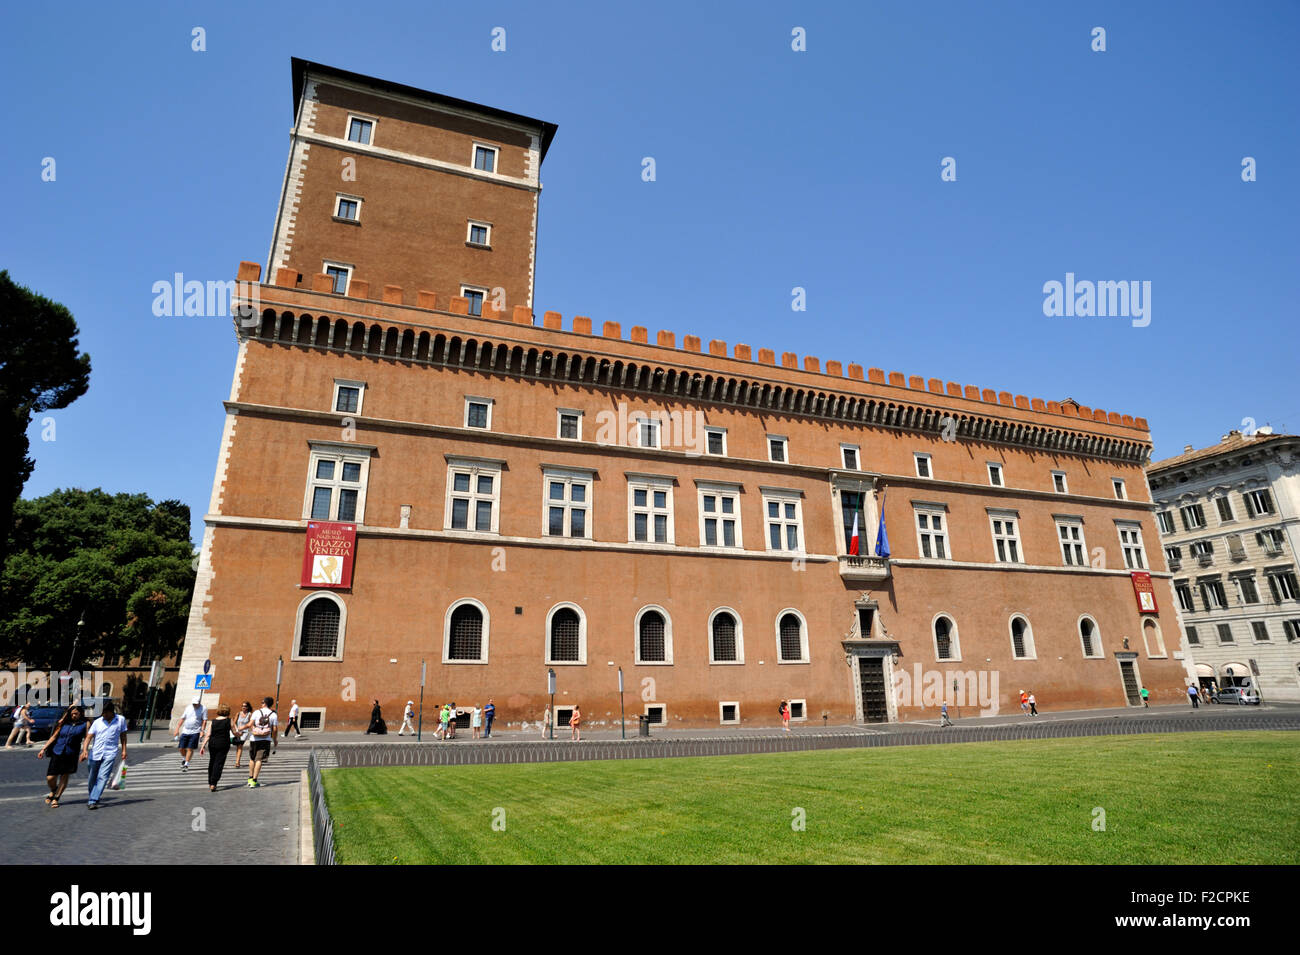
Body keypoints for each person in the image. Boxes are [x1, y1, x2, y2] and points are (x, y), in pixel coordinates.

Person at [38, 704, 87, 808]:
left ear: (80, 714)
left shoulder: (84, 724)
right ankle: (53, 790)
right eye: (72, 713)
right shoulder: (64, 723)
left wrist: (84, 751)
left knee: (64, 775)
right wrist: (43, 748)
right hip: (57, 751)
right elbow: (54, 736)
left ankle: (56, 798)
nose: (74, 715)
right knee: (50, 777)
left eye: (76, 714)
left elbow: (87, 738)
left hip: (71, 753)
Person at [81, 701, 127, 810]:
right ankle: (93, 795)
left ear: (112, 712)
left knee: (103, 777)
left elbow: (123, 736)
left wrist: (124, 750)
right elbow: (88, 737)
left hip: (110, 753)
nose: (104, 715)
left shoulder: (120, 720)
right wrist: (84, 750)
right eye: (102, 713)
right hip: (95, 753)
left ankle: (93, 799)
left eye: (106, 713)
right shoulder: (97, 722)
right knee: (92, 778)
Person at [199, 703, 233, 791]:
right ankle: (213, 783)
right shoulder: (229, 721)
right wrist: (239, 734)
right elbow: (235, 732)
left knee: (212, 762)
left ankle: (210, 782)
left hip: (212, 744)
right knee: (219, 763)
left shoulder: (213, 721)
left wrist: (202, 746)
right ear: (227, 711)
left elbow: (208, 735)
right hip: (224, 744)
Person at [247, 696, 278, 788]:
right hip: (265, 739)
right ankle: (254, 781)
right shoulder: (273, 714)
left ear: (264, 703)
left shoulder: (256, 712)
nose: (261, 704)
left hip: (254, 738)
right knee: (259, 759)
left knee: (252, 759)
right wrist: (275, 739)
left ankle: (250, 778)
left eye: (262, 702)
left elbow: (250, 724)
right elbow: (275, 729)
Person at [173, 695, 207, 772]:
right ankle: (184, 759)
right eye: (193, 704)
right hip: (185, 730)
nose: (194, 705)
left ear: (199, 703)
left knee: (190, 748)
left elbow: (204, 720)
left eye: (196, 704)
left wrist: (202, 731)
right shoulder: (188, 708)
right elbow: (182, 718)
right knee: (181, 748)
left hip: (195, 731)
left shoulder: (203, 709)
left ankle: (186, 764)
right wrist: (177, 729)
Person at [232, 701, 253, 768]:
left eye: (245, 706)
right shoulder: (238, 713)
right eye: (243, 706)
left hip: (245, 733)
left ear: (248, 707)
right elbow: (234, 722)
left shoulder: (249, 714)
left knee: (240, 745)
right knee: (238, 747)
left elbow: (250, 724)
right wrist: (236, 730)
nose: (243, 707)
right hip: (238, 732)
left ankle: (237, 762)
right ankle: (237, 760)